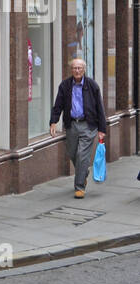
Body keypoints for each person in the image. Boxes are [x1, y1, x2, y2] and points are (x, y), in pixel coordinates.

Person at [49, 57, 106, 199]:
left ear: (84, 69)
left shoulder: (92, 85)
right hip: (72, 124)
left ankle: (79, 187)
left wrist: (101, 129)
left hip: (88, 125)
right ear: (71, 70)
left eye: (80, 68)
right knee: (72, 153)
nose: (77, 70)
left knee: (82, 155)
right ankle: (83, 172)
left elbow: (100, 108)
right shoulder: (65, 86)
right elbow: (58, 105)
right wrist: (53, 122)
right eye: (74, 68)